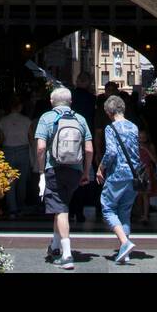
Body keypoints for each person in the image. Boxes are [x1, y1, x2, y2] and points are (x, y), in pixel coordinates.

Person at [35, 87, 93, 270]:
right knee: (61, 207)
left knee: (60, 210)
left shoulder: (46, 118)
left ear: (52, 102)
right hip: (75, 171)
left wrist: (41, 171)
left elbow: (41, 148)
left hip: (54, 169)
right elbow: (89, 149)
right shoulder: (80, 119)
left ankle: (67, 254)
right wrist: (86, 172)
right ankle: (54, 245)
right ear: (70, 102)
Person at [96, 94, 140, 264]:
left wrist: (101, 167)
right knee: (125, 211)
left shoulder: (111, 128)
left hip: (117, 175)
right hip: (134, 175)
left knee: (107, 208)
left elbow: (112, 152)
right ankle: (125, 252)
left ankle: (124, 242)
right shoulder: (134, 127)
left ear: (109, 112)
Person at [0, 95, 33, 218]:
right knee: (22, 181)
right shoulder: (27, 120)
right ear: (20, 106)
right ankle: (21, 206)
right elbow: (31, 138)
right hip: (23, 150)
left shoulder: (3, 121)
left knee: (9, 181)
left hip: (8, 150)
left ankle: (12, 208)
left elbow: (1, 139)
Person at [69, 71, 97, 225]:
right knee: (84, 176)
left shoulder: (70, 98)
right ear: (89, 83)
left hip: (68, 140)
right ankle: (80, 211)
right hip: (86, 139)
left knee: (68, 174)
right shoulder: (92, 99)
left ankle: (70, 210)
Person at [136, 128, 157, 224]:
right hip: (137, 171)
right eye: (140, 137)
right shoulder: (135, 146)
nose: (142, 139)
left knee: (145, 195)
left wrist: (146, 149)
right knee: (138, 195)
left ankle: (145, 215)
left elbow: (155, 160)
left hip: (147, 172)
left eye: (144, 137)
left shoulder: (150, 146)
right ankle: (140, 214)